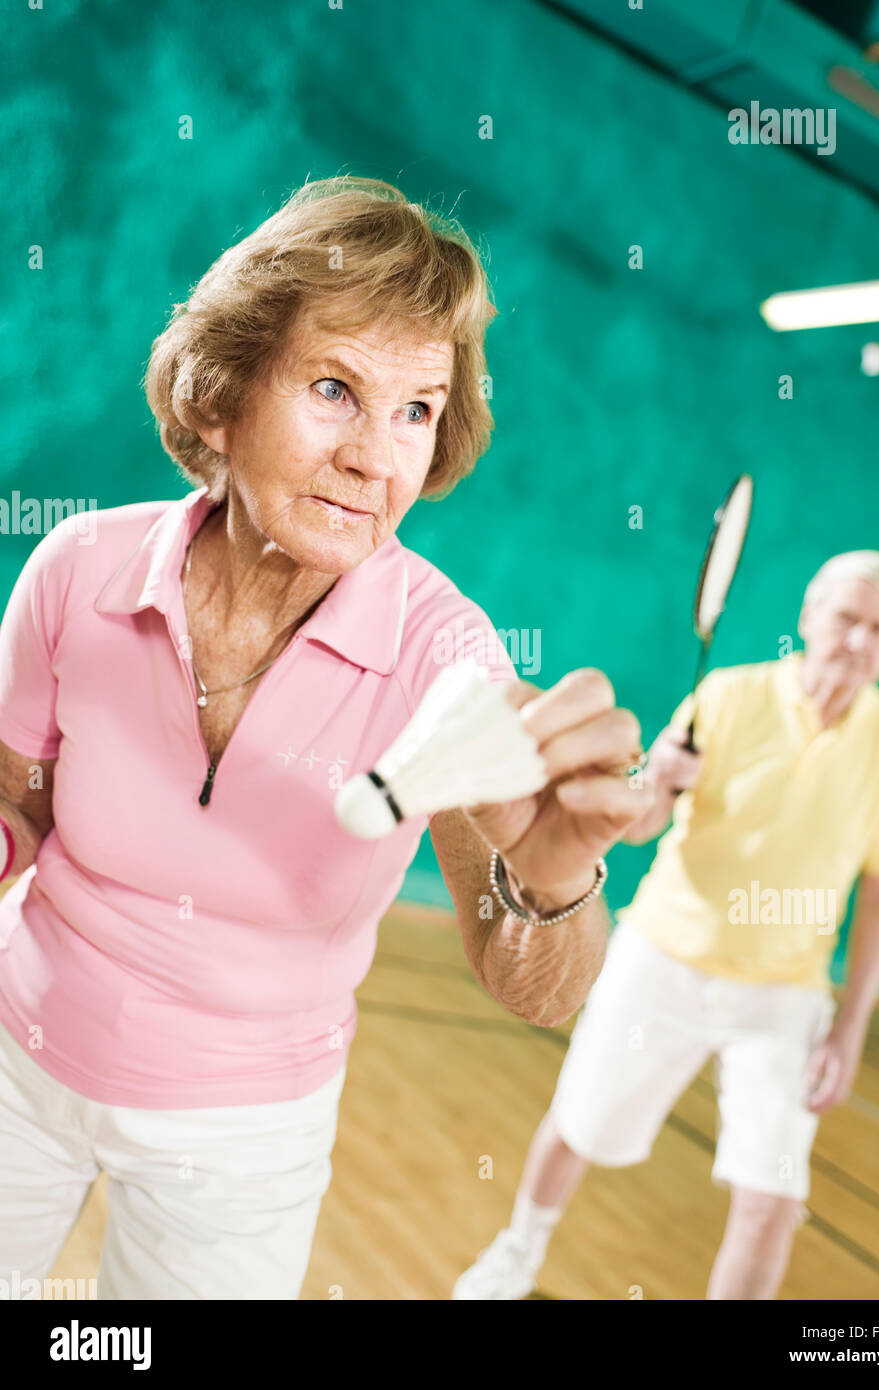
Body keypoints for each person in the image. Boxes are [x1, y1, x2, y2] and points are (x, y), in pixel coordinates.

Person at [0, 176, 653, 1300]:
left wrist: (550, 877)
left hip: (243, 1144)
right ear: (220, 397)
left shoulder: (445, 660)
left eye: (415, 410)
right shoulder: (76, 569)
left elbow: (535, 985)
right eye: (333, 389)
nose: (376, 457)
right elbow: (20, 803)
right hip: (18, 1060)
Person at [453, 551, 879, 1301]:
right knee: (577, 1127)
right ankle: (518, 1251)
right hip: (661, 957)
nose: (858, 641)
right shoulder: (728, 695)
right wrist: (656, 780)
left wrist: (850, 1028)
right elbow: (639, 826)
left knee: (773, 1198)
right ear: (809, 617)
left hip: (783, 994)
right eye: (846, 618)